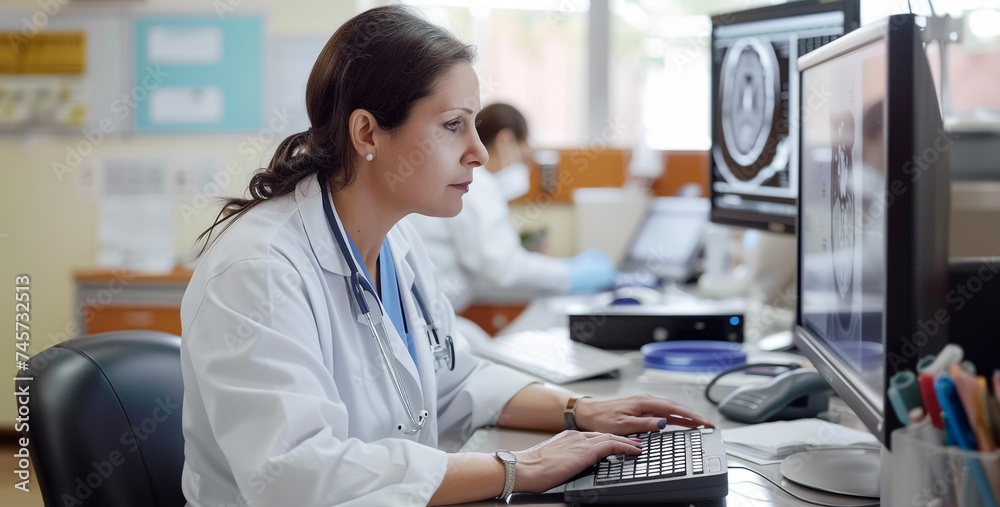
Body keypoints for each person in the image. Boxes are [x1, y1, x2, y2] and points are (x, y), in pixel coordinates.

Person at [181, 6, 711, 506]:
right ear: (367, 132)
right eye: (453, 124)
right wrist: (516, 468)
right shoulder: (259, 272)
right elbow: (298, 476)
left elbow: (456, 381)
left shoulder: (398, 243)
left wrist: (578, 411)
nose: (479, 152)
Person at [407, 103, 616, 313]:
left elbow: (488, 273)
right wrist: (570, 274)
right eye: (525, 159)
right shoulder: (476, 182)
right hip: (430, 316)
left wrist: (562, 275)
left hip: (437, 310)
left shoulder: (471, 182)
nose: (524, 169)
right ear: (505, 141)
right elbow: (503, 269)